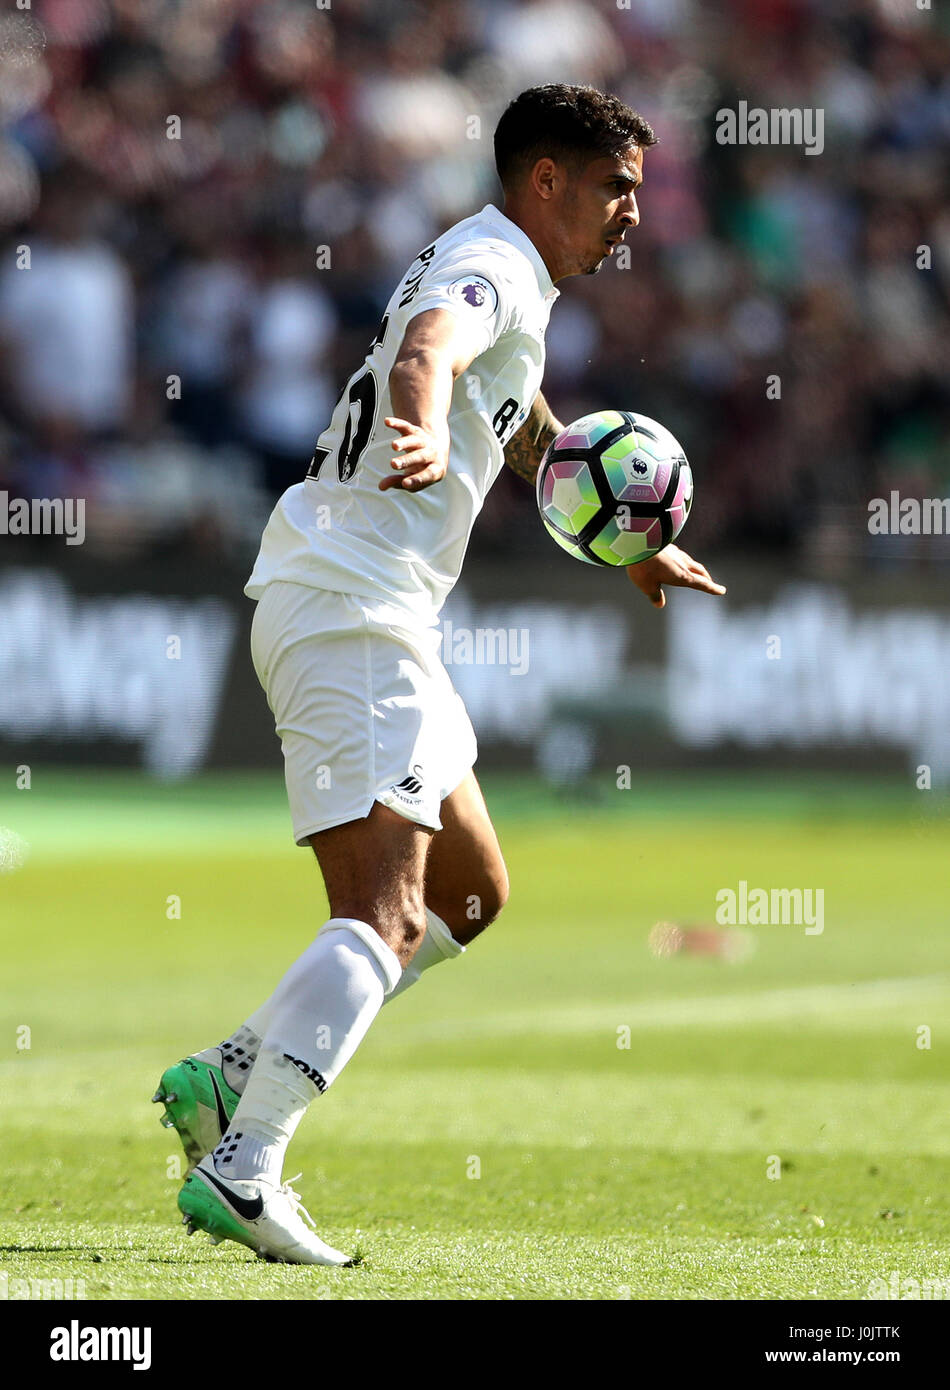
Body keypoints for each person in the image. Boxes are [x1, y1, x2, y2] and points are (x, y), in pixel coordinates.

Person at [153, 84, 726, 1265]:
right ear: (546, 179)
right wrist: (415, 423)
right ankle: (245, 1161)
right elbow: (430, 355)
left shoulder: (501, 267)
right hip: (352, 609)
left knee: (467, 897)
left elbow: (508, 410)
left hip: (369, 609)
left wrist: (621, 534)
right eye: (616, 187)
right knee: (386, 913)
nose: (633, 213)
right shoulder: (494, 267)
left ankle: (228, 1076)